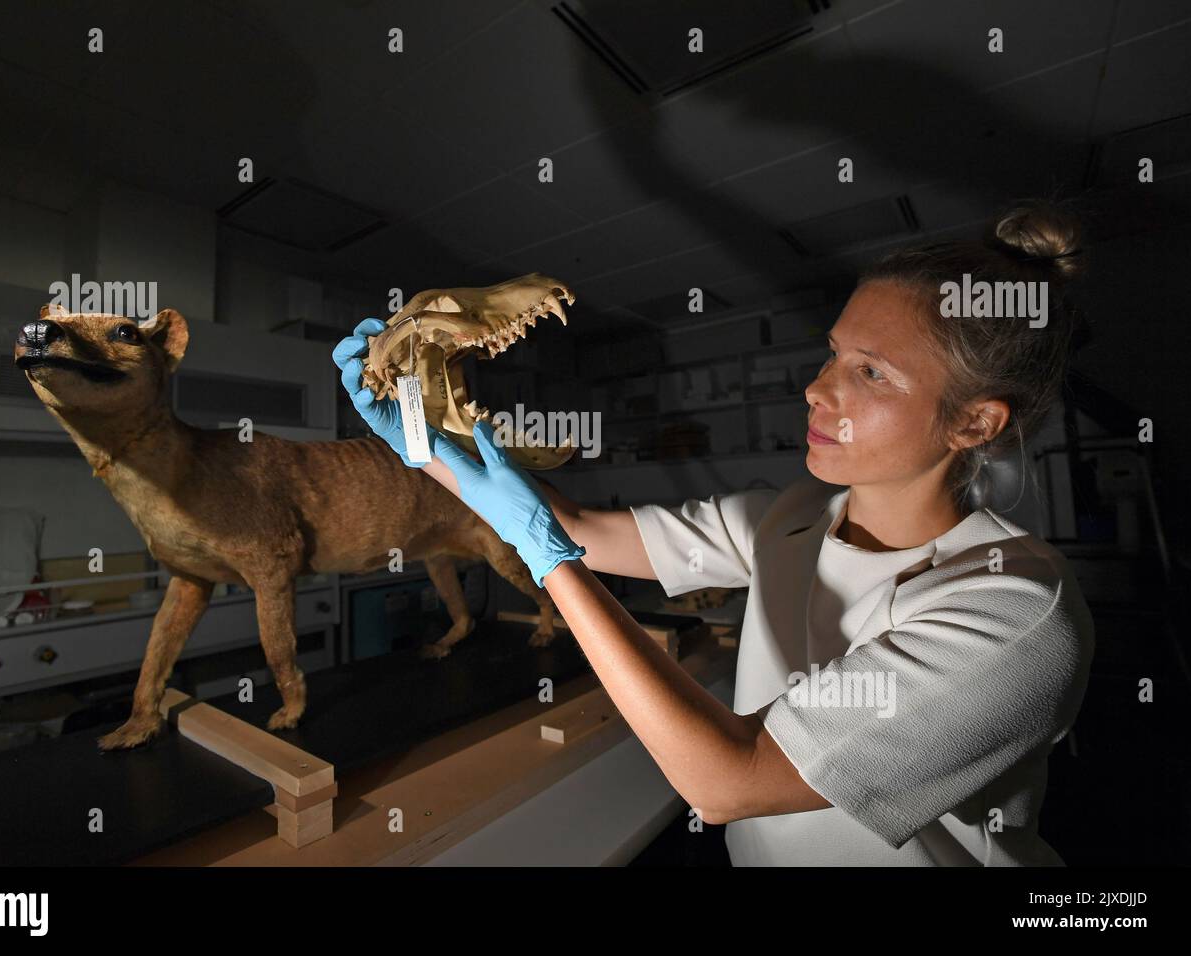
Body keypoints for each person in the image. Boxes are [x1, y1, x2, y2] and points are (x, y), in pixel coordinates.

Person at [331, 199, 1095, 866]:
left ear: (973, 421)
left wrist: (548, 558)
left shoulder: (1016, 611)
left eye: (871, 373)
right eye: (833, 354)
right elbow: (577, 528)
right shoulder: (787, 515)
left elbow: (729, 780)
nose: (818, 388)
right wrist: (419, 436)